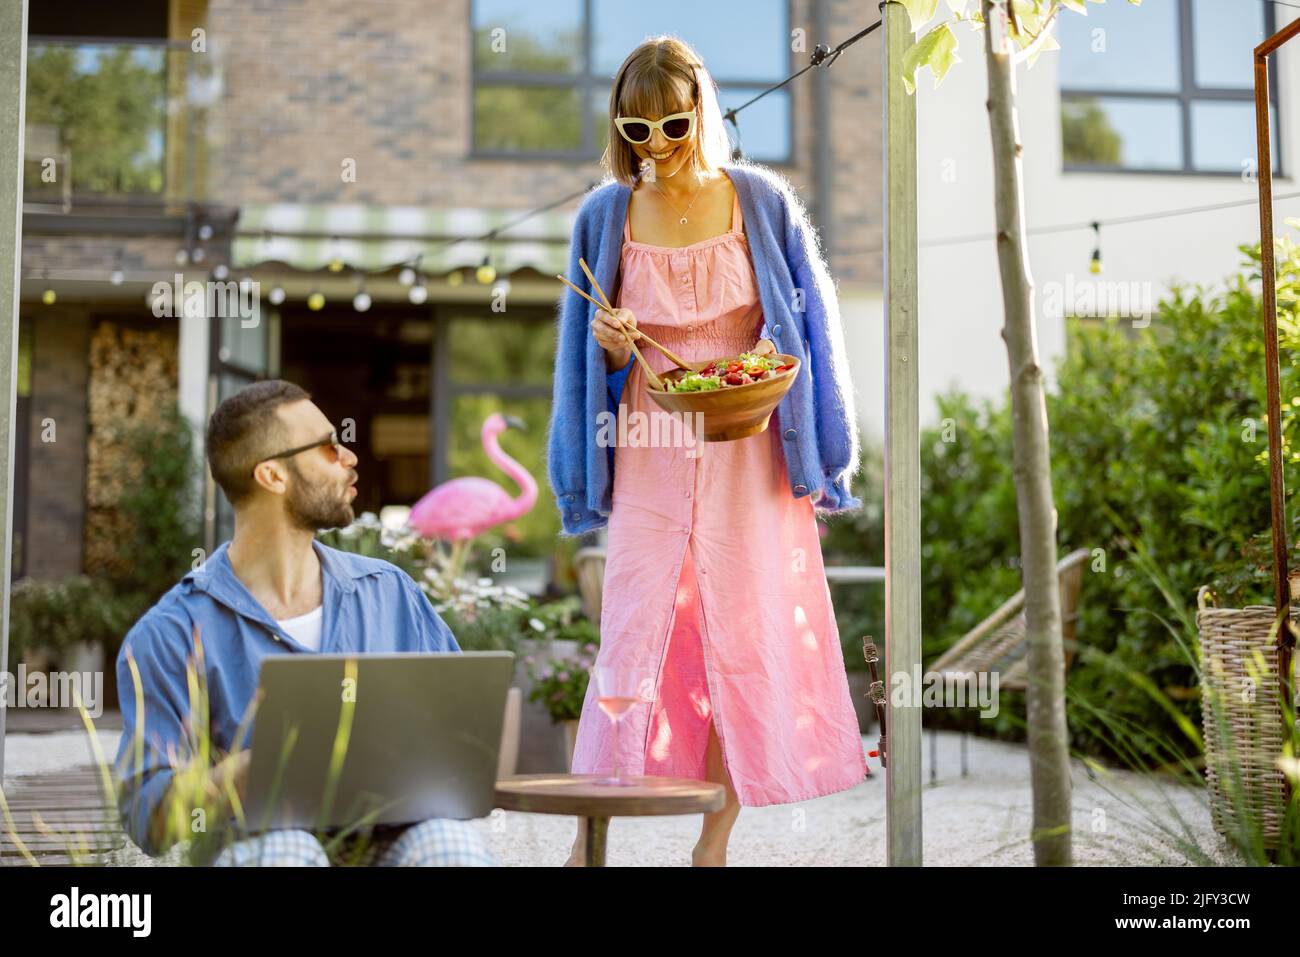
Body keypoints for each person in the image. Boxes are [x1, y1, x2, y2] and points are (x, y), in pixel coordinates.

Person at [546, 36, 868, 867]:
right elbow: (588, 363)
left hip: (751, 448)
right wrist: (613, 344)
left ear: (705, 112)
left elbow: (809, 327)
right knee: (632, 636)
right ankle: (591, 846)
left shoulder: (759, 201)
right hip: (649, 443)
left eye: (675, 124)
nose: (658, 145)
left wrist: (821, 444)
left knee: (740, 637)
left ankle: (712, 846)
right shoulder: (603, 214)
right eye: (638, 129)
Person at [112, 379, 497, 866]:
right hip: (260, 843)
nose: (350, 457)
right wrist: (243, 774)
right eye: (329, 447)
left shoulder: (390, 593)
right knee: (286, 853)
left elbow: (464, 744)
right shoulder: (168, 634)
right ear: (272, 475)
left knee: (449, 846)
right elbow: (148, 820)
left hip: (395, 839)